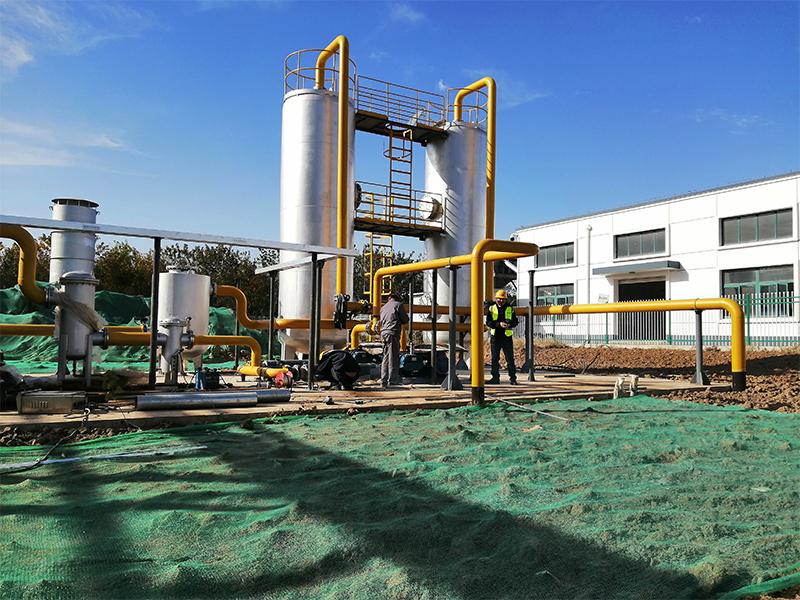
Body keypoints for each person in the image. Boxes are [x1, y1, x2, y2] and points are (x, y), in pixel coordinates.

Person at [486, 289, 519, 385]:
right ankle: (495, 378)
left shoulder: (510, 308)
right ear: (496, 299)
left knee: (510, 359)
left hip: (506, 337)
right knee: (495, 359)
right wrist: (499, 324)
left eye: (502, 299)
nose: (500, 300)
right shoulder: (491, 308)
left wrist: (509, 324)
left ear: (505, 299)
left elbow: (515, 321)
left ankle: (513, 379)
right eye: (499, 299)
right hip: (495, 337)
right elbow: (488, 322)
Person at [379, 289, 409, 388]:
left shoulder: (383, 307)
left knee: (386, 356)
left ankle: (383, 380)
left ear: (389, 298)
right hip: (392, 332)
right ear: (397, 298)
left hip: (383, 333)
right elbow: (405, 319)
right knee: (393, 356)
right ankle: (392, 380)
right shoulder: (398, 305)